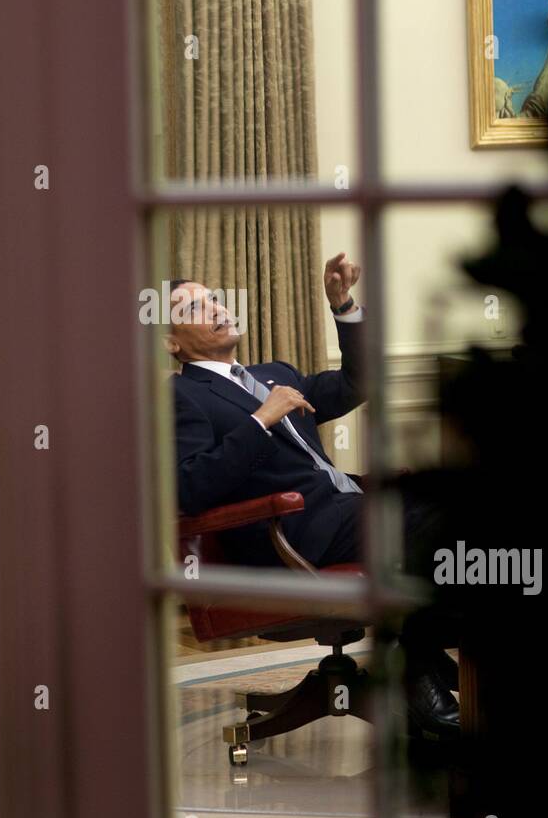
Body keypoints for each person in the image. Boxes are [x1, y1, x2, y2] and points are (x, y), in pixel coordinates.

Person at [166, 256, 458, 737]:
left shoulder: (273, 372)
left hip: (341, 508)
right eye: (193, 306)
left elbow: (356, 384)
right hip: (292, 533)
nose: (214, 307)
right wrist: (261, 419)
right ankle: (416, 664)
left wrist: (342, 307)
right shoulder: (183, 397)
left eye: (213, 297)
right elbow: (191, 487)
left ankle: (424, 652)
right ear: (172, 342)